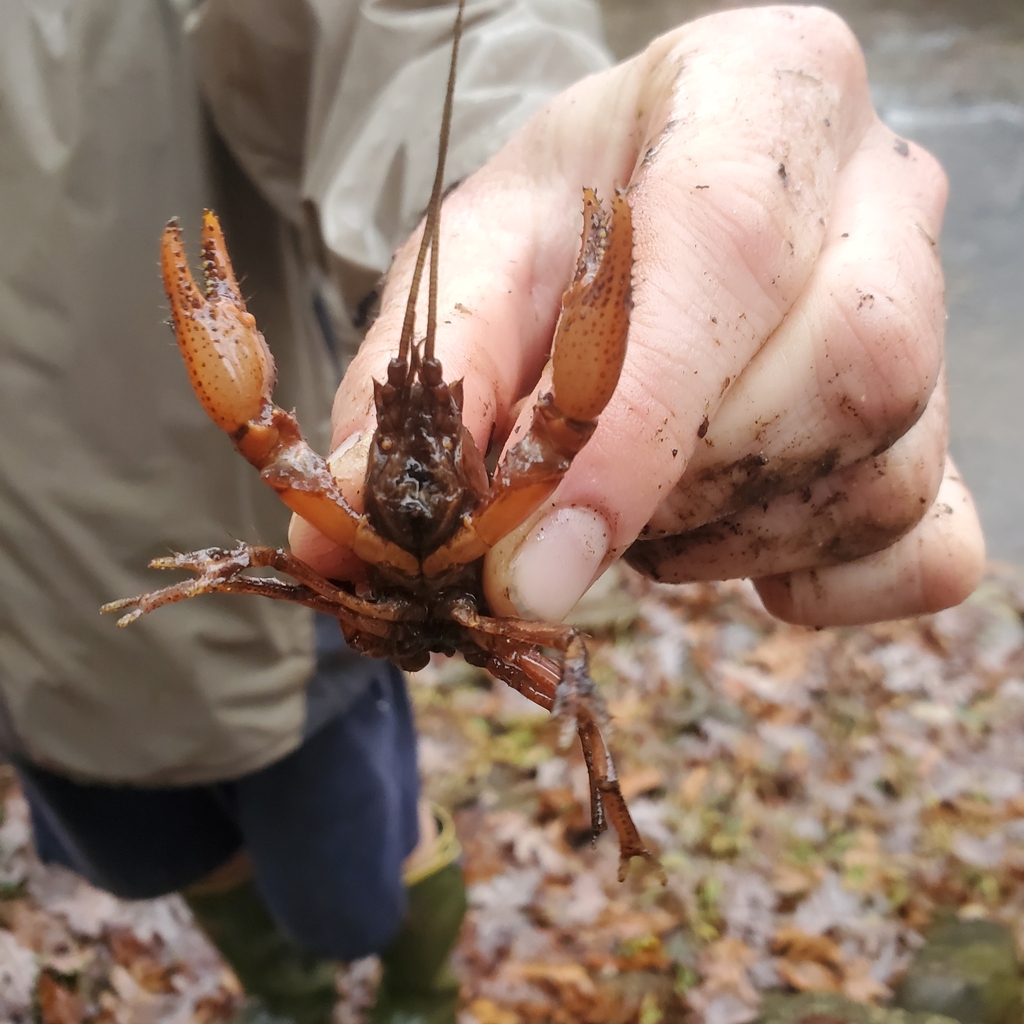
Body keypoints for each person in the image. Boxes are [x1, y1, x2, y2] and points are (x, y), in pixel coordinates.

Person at [0, 3, 983, 1024]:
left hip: (278, 680)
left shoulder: (426, 473)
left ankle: (418, 992)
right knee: (157, 860)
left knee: (347, 882)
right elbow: (263, 552)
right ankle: (286, 998)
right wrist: (214, 566)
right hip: (38, 675)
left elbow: (413, 40)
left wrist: (535, 178)